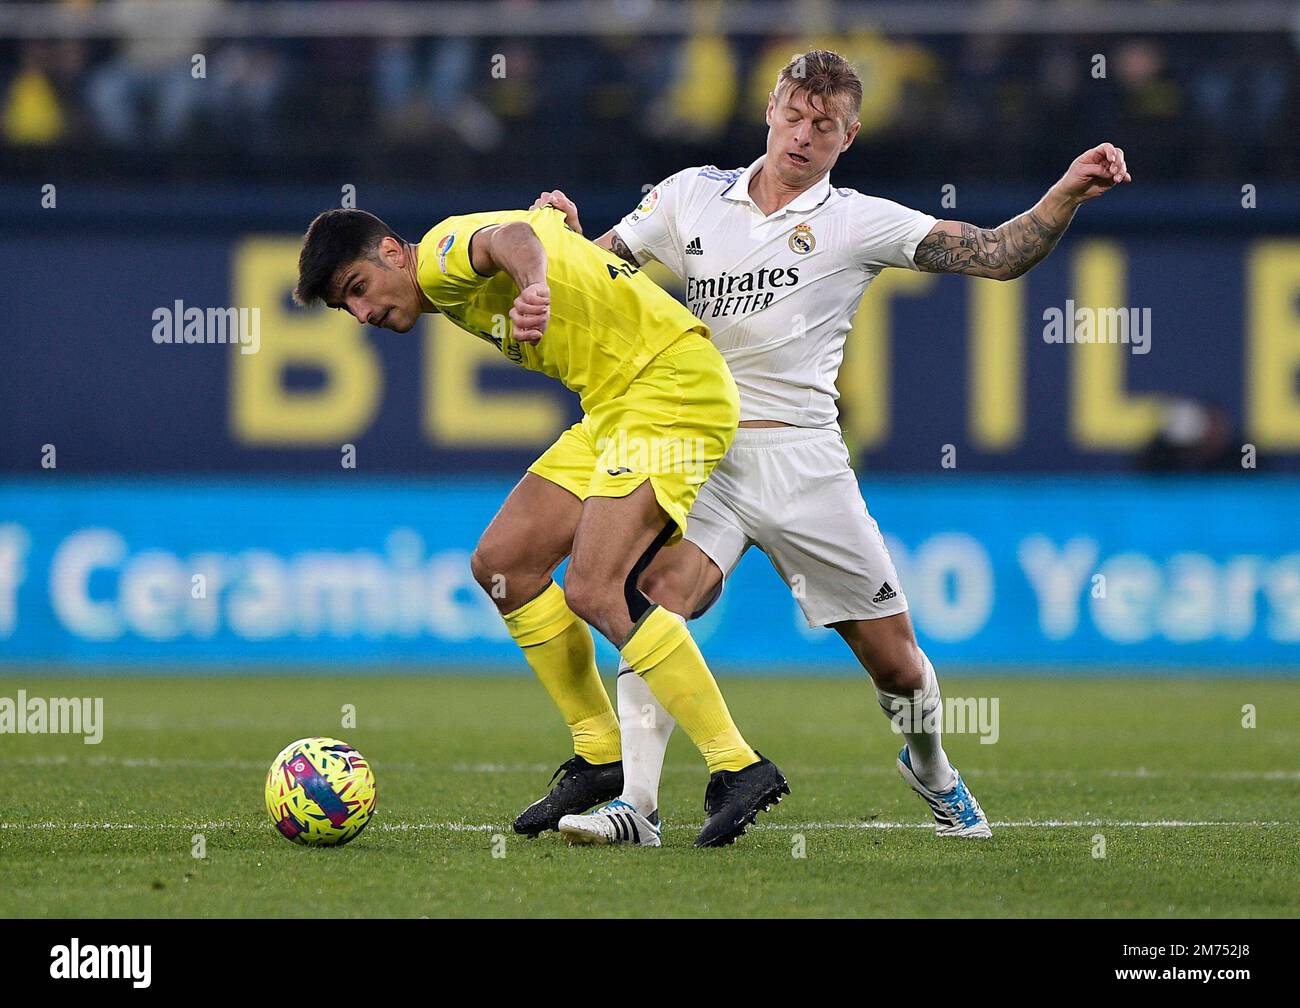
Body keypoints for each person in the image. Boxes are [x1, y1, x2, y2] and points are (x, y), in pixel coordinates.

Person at [532, 49, 1131, 846]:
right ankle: (637, 807)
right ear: (770, 110)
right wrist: (565, 241)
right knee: (657, 601)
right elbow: (603, 267)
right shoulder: (689, 197)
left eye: (825, 125)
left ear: (849, 136)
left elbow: (996, 253)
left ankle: (933, 768)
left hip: (805, 462)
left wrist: (1064, 195)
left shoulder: (856, 220)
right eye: (794, 113)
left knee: (898, 665)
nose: (804, 134)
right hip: (704, 446)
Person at [293, 204, 789, 847]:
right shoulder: (453, 264)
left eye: (358, 289)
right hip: (617, 405)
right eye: (346, 309)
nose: (363, 315)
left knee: (595, 587)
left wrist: (534, 280)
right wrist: (551, 229)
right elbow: (527, 229)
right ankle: (599, 754)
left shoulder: (437, 261)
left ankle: (738, 765)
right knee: (504, 563)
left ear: (392, 251)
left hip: (670, 389)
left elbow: (512, 239)